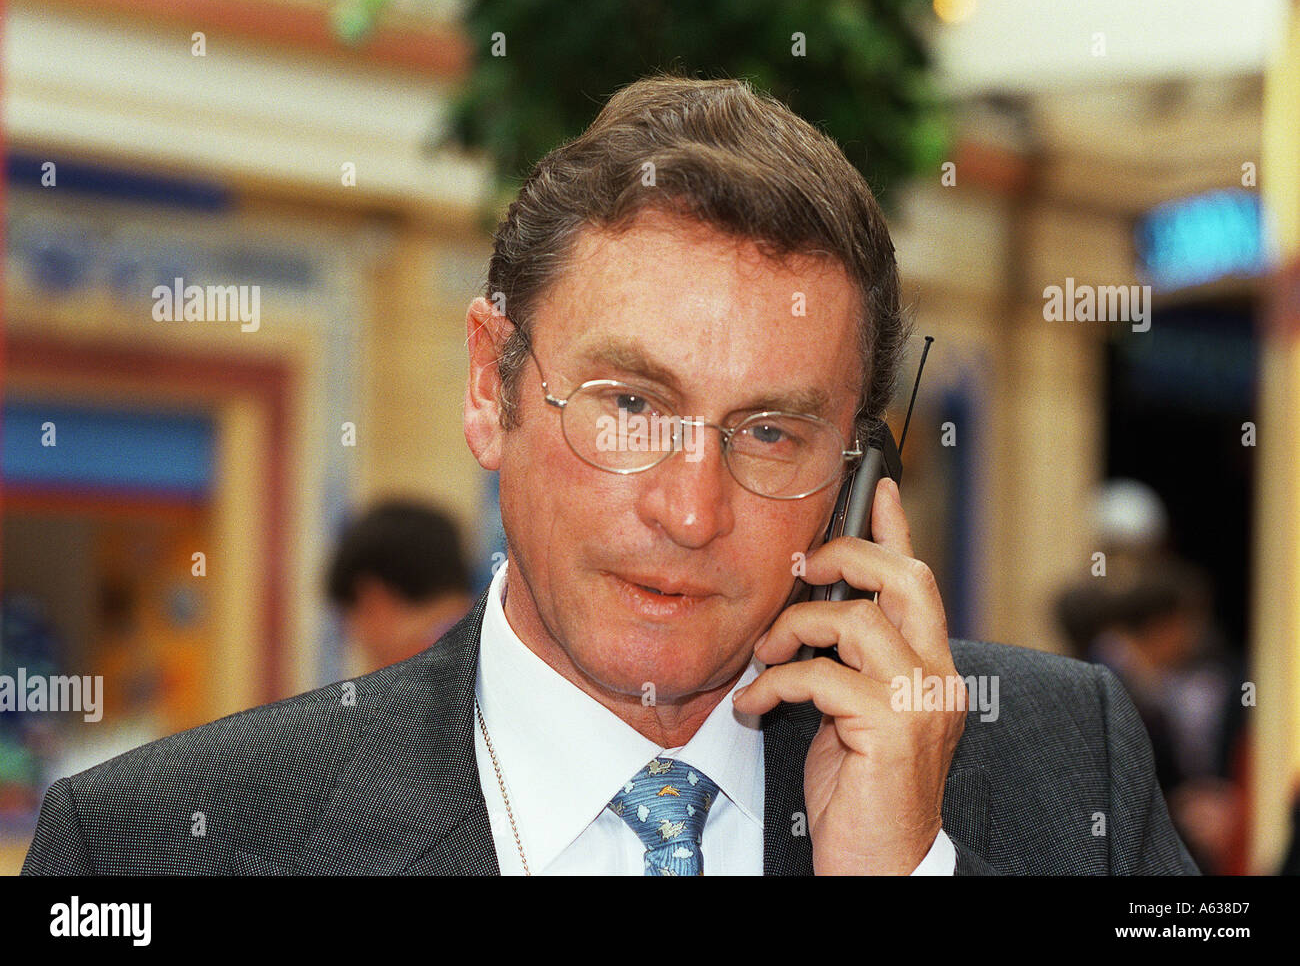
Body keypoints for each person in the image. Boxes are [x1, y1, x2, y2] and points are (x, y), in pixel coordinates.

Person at [22, 75, 1196, 875]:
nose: (690, 511)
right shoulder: (162, 844)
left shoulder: (1054, 762)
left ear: (858, 468)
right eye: (632, 406)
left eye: (771, 433)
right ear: (490, 384)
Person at [325, 500, 472, 672]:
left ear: (373, 600)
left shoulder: (404, 679)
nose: (356, 638)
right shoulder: (495, 636)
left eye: (349, 618)